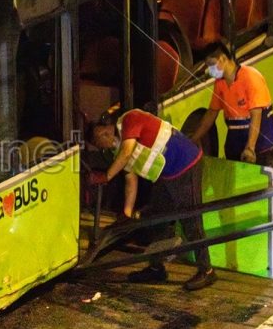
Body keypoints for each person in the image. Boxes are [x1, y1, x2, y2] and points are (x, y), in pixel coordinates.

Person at [89, 109, 216, 291]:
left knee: (191, 221)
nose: (103, 144)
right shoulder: (118, 148)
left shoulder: (130, 120)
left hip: (186, 165)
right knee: (155, 218)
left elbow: (127, 153)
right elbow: (131, 180)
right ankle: (156, 268)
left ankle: (207, 270)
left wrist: (106, 176)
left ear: (105, 130)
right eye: (99, 143)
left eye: (99, 140)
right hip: (167, 175)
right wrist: (127, 212)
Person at [188, 45, 273, 163]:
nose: (209, 70)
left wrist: (250, 148)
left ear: (222, 59)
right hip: (236, 142)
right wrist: (194, 139)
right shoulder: (220, 84)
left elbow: (256, 115)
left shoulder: (250, 77)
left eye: (211, 65)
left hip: (260, 145)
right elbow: (211, 114)